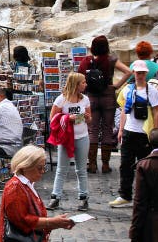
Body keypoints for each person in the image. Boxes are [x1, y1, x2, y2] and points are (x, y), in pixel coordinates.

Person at [109, 60, 158, 207]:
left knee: (145, 166)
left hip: (144, 133)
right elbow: (124, 112)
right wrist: (120, 130)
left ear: (145, 73)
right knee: (125, 165)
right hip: (129, 131)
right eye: (137, 72)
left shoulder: (152, 90)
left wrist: (155, 132)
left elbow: (156, 111)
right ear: (134, 73)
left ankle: (145, 195)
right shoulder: (127, 89)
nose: (139, 75)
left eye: (142, 73)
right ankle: (125, 195)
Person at [77, 34, 132, 173]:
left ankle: (92, 164)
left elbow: (79, 77)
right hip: (108, 96)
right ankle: (106, 165)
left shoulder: (87, 61)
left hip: (92, 98)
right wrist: (116, 85)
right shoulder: (111, 59)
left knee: (93, 129)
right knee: (108, 129)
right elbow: (128, 71)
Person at [0, 145, 75, 242]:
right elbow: (22, 220)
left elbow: (33, 219)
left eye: (43, 167)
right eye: (39, 168)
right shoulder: (15, 188)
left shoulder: (26, 184)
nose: (42, 171)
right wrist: (52, 222)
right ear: (25, 167)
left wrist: (57, 223)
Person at [46, 72, 91, 211]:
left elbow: (90, 119)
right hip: (65, 139)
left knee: (81, 169)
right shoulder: (61, 100)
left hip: (82, 137)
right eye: (83, 82)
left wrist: (83, 117)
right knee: (61, 169)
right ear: (76, 84)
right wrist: (67, 118)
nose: (85, 84)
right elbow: (52, 119)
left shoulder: (85, 100)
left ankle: (84, 198)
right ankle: (55, 197)